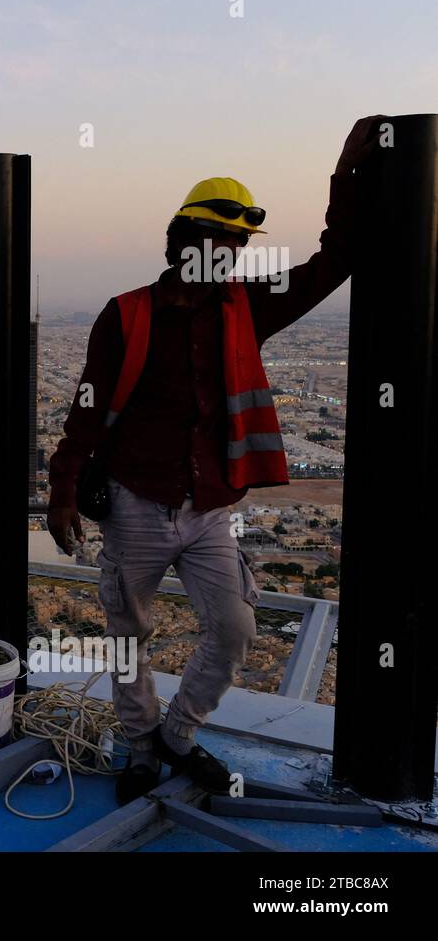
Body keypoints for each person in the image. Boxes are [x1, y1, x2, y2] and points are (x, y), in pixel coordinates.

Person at [46, 117, 382, 803]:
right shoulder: (128, 315)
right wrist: (61, 490)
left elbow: (335, 258)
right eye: (219, 240)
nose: (229, 253)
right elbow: (86, 407)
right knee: (126, 633)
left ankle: (177, 732)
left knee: (234, 628)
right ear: (186, 242)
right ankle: (139, 744)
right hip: (137, 500)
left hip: (210, 509)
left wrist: (347, 173)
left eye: (237, 243)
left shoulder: (248, 307)